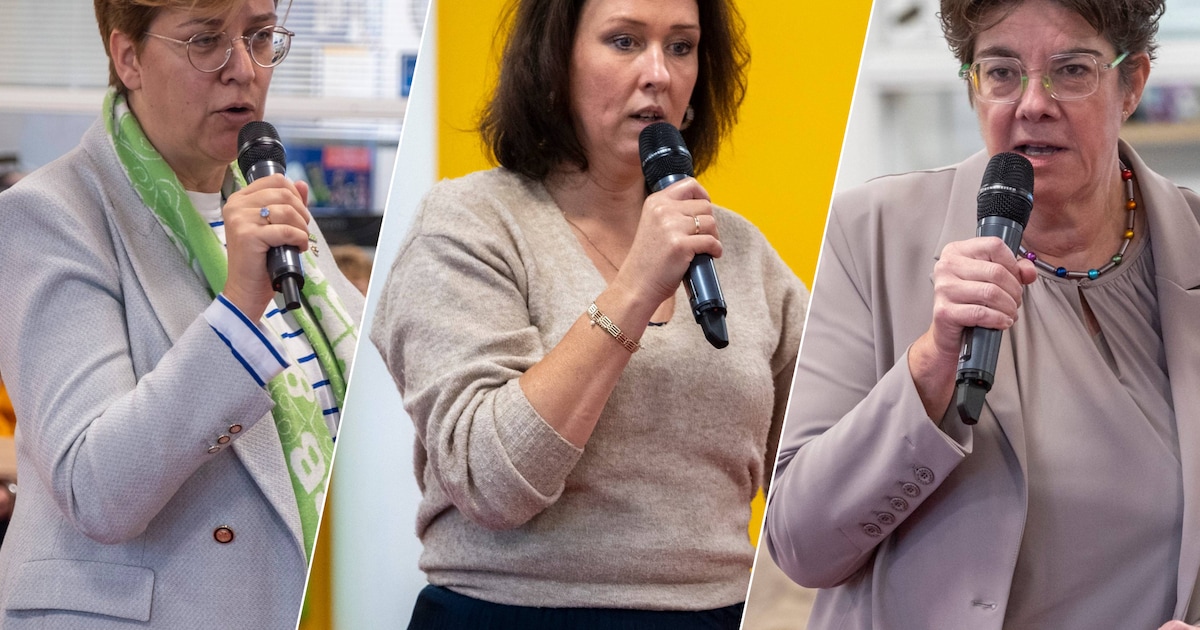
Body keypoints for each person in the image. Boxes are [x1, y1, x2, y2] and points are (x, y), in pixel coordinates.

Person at [763, 0, 1200, 628]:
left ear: (1131, 84)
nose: (1032, 103)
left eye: (1071, 70)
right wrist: (930, 367)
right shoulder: (871, 234)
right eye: (1001, 72)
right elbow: (801, 546)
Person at [369, 0, 806, 627]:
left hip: (712, 611)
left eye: (681, 47)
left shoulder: (739, 249)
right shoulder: (469, 224)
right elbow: (491, 482)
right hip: (510, 614)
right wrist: (634, 289)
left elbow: (813, 468)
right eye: (625, 41)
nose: (658, 72)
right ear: (555, 65)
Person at [0, 0, 362, 626]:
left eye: (259, 35)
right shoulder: (50, 215)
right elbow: (96, 488)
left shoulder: (268, 203)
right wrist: (239, 313)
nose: (243, 69)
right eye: (205, 41)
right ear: (128, 57)